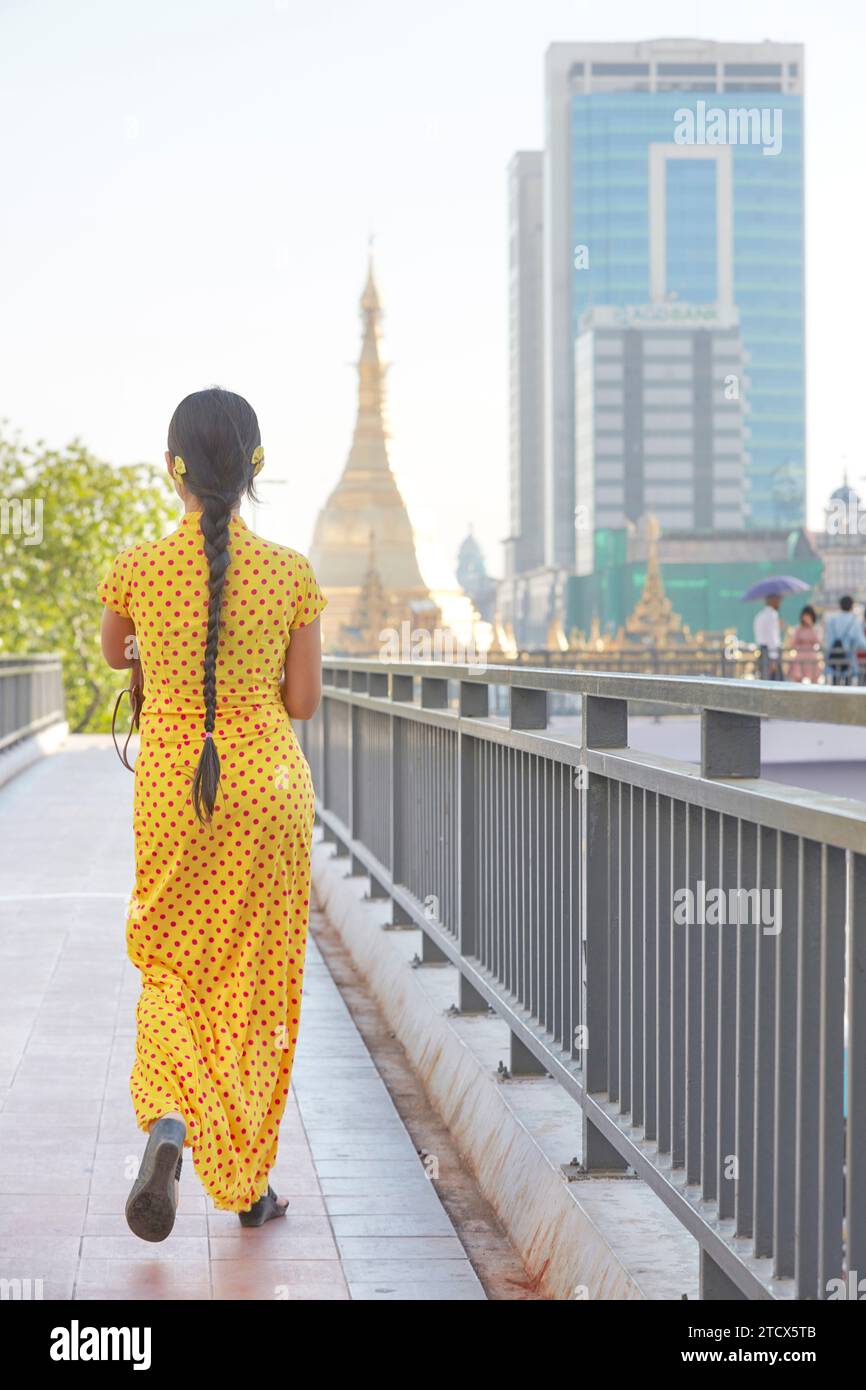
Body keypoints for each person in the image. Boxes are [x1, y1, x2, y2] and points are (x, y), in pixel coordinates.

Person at [98, 387, 327, 1240]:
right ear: (256, 467)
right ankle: (247, 1185)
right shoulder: (292, 574)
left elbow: (117, 650)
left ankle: (168, 1117)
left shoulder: (136, 568)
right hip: (265, 791)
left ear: (172, 470)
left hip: (170, 790)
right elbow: (301, 702)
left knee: (170, 969)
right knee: (258, 989)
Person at [824, 595, 863, 686]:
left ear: (840, 605)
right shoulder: (854, 621)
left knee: (834, 686)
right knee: (847, 688)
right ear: (852, 606)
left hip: (833, 659)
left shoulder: (832, 620)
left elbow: (829, 641)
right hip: (848, 661)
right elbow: (860, 641)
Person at [787, 604, 821, 683]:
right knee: (797, 678)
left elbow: (818, 641)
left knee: (814, 679)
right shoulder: (798, 629)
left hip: (811, 656)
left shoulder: (815, 629)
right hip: (800, 655)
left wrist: (811, 626)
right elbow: (793, 643)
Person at [753, 592, 783, 679]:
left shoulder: (759, 615)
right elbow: (772, 638)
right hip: (770, 654)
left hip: (763, 652)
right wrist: (773, 659)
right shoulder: (772, 615)